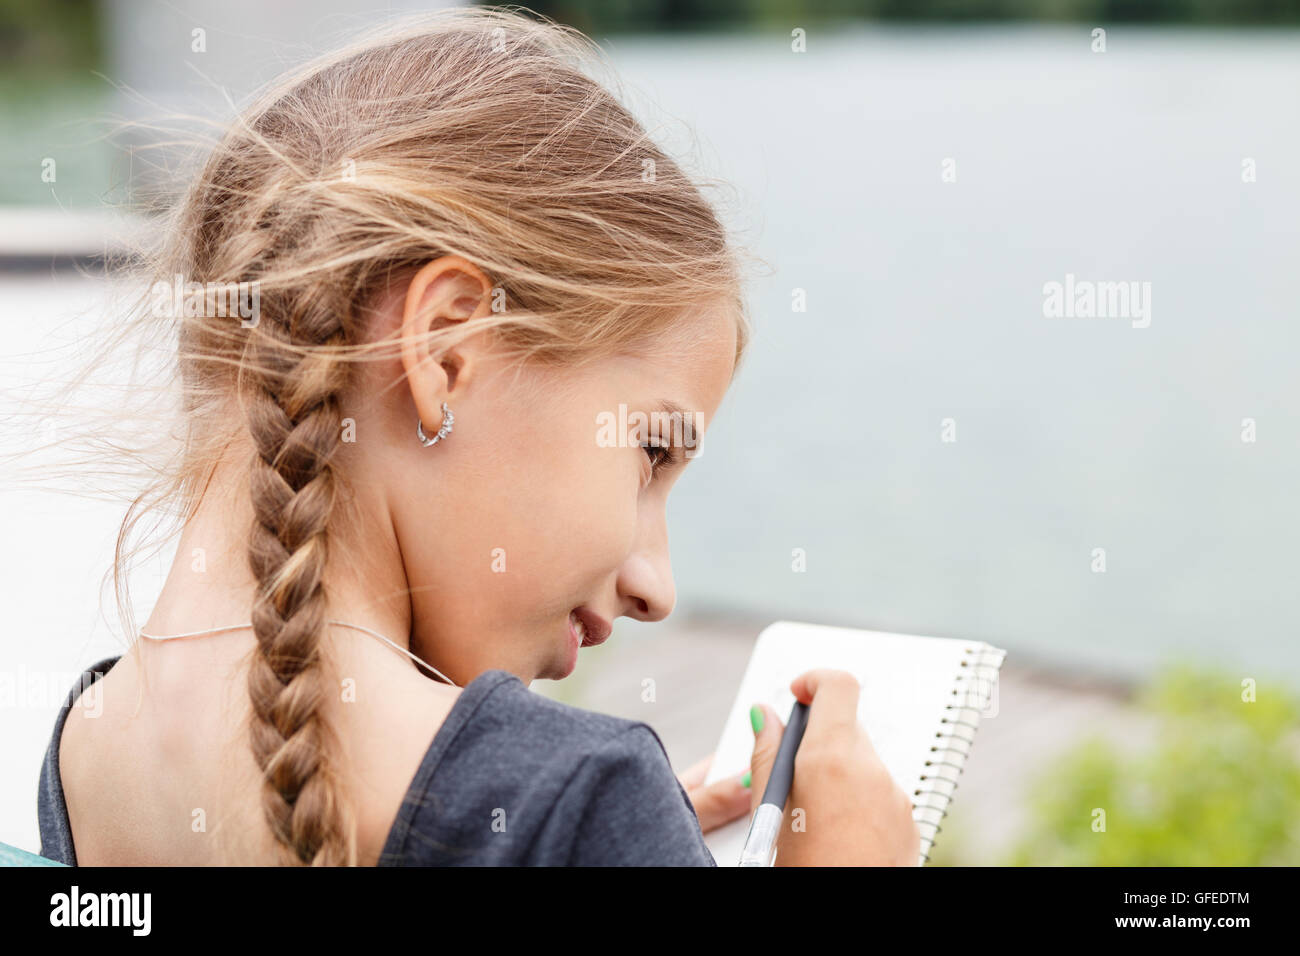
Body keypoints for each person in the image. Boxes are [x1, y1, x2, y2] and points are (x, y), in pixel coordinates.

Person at [36, 7, 920, 867]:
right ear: (448, 349)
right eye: (651, 453)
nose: (658, 587)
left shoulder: (86, 750)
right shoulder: (582, 797)